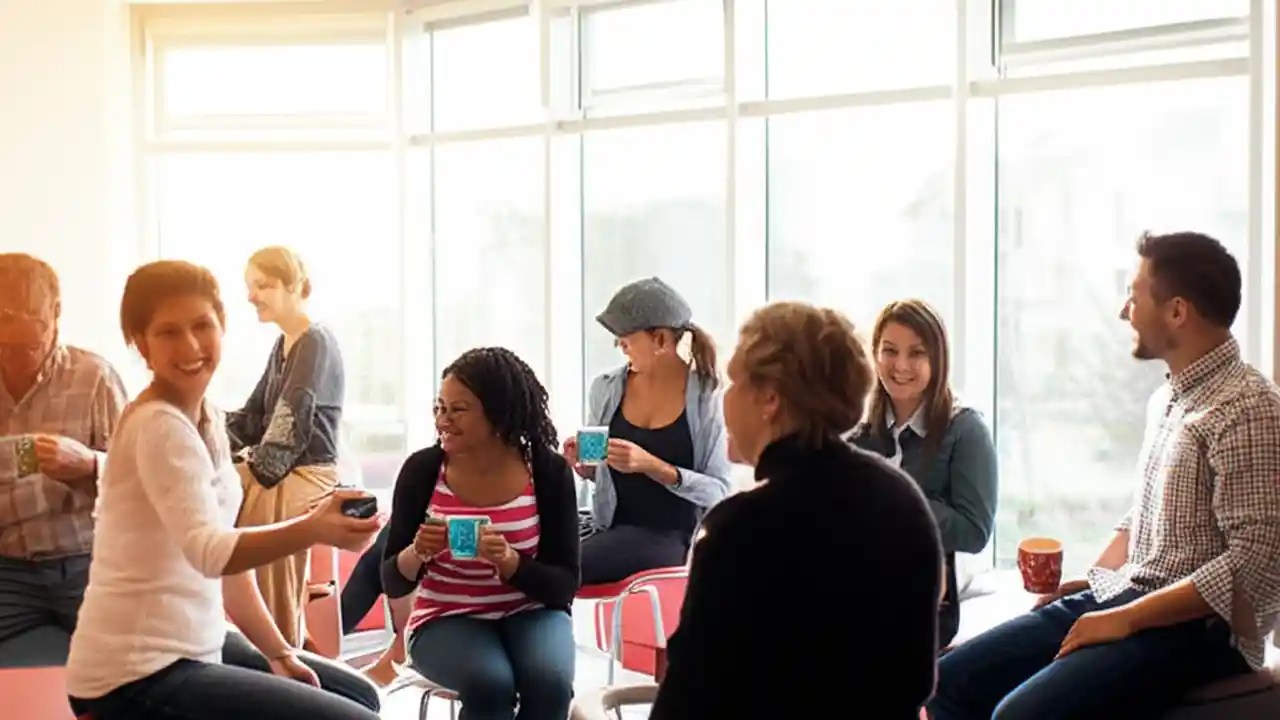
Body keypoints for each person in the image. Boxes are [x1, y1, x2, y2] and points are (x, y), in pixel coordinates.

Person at [929, 232, 1280, 719]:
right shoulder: (1167, 401)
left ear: (1177, 311)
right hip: (1131, 599)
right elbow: (1147, 513)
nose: (1124, 312)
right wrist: (1095, 583)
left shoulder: (1249, 408)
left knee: (1019, 716)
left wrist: (1126, 617)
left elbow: (1256, 565)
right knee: (948, 680)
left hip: (1202, 633)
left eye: (1134, 297)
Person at [65, 260, 383, 720]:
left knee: (360, 696)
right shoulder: (159, 425)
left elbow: (229, 570)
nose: (191, 346)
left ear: (222, 326)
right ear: (141, 345)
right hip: (133, 674)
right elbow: (212, 553)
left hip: (199, 642)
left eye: (202, 325)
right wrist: (313, 527)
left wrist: (280, 653)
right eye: (168, 333)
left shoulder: (209, 420)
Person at [651, 301, 943, 719]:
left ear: (769, 398)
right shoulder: (902, 501)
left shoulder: (740, 531)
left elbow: (687, 703)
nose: (724, 399)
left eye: (733, 382)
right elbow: (913, 682)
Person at [381, 347, 579, 720]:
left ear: (498, 413)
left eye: (458, 409)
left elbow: (564, 585)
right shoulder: (423, 470)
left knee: (549, 684)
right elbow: (391, 580)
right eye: (439, 407)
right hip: (445, 617)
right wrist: (417, 552)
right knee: (491, 684)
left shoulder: (547, 471)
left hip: (532, 612)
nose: (443, 420)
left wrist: (510, 563)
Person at [0, 253, 127, 667]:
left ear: (56, 314)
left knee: (147, 663)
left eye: (29, 343)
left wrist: (91, 465)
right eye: (3, 341)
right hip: (7, 573)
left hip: (86, 564)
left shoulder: (95, 378)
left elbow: (142, 485)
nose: (17, 356)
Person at [850, 299, 997, 647]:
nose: (900, 365)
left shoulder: (966, 429)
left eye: (916, 353)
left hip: (927, 602)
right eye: (889, 351)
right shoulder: (860, 433)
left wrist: (898, 500)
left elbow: (975, 531)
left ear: (937, 359)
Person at [565, 277, 731, 584]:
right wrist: (584, 467)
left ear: (661, 340)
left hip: (670, 535)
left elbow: (718, 491)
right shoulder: (605, 387)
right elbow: (599, 474)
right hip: (604, 525)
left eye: (627, 336)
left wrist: (652, 466)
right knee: (528, 548)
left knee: (556, 570)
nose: (620, 345)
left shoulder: (708, 397)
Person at [228, 246, 346, 647]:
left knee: (247, 496)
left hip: (308, 473)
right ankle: (284, 638)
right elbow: (251, 417)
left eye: (263, 285)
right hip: (283, 465)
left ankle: (282, 643)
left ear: (294, 286)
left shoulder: (315, 341)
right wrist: (203, 426)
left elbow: (290, 426)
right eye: (250, 286)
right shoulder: (284, 344)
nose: (251, 295)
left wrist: (247, 462)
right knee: (224, 483)